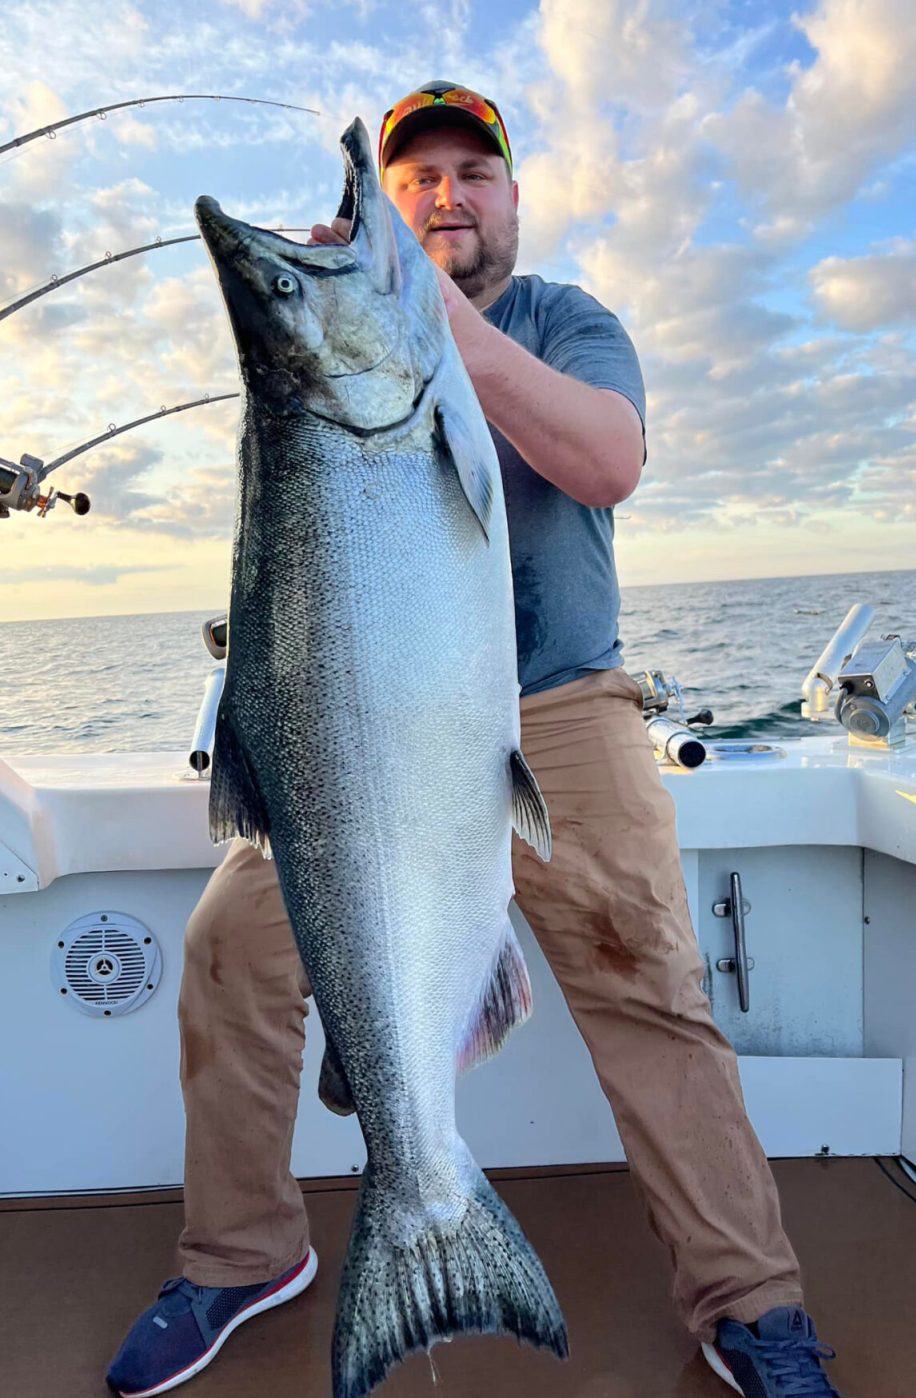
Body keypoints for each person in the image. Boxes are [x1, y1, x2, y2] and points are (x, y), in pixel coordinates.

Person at [104, 82, 840, 1398]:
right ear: (387, 209)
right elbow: (286, 583)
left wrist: (444, 334)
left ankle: (749, 1302)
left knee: (649, 978)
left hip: (561, 706)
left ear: (511, 196)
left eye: (471, 173)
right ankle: (242, 1251)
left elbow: (609, 459)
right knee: (226, 948)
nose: (445, 195)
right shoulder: (316, 377)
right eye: (417, 178)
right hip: (361, 735)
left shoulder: (562, 321)